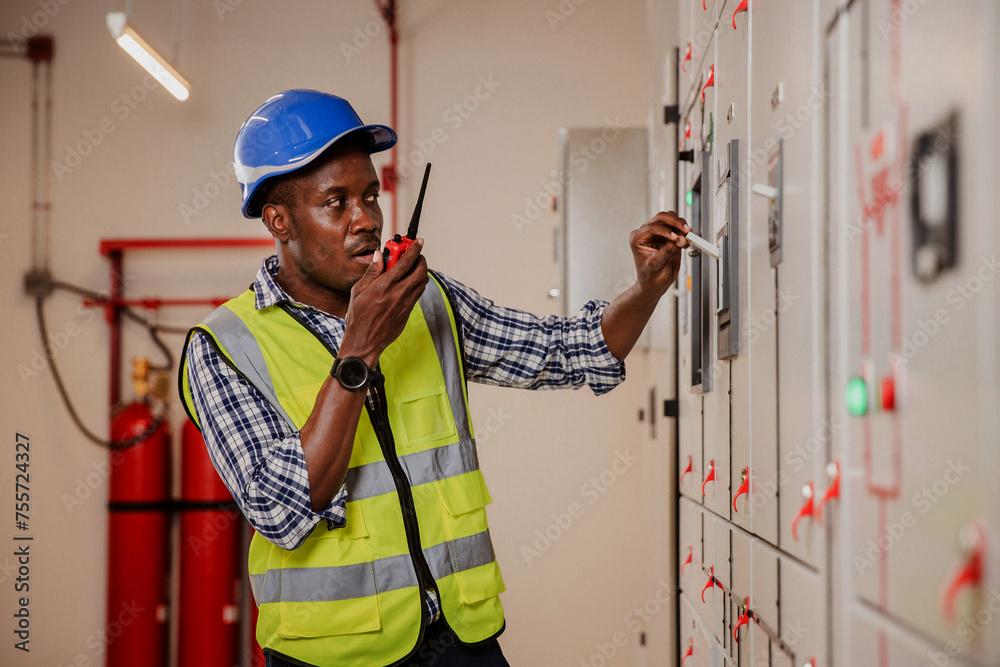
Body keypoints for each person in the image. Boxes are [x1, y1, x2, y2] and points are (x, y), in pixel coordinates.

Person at [179, 89, 690, 667]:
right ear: (279, 221)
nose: (365, 219)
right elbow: (283, 504)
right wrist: (360, 348)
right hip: (332, 657)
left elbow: (565, 351)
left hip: (459, 640)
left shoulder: (427, 301)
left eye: (370, 195)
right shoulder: (224, 347)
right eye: (335, 202)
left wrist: (646, 289)